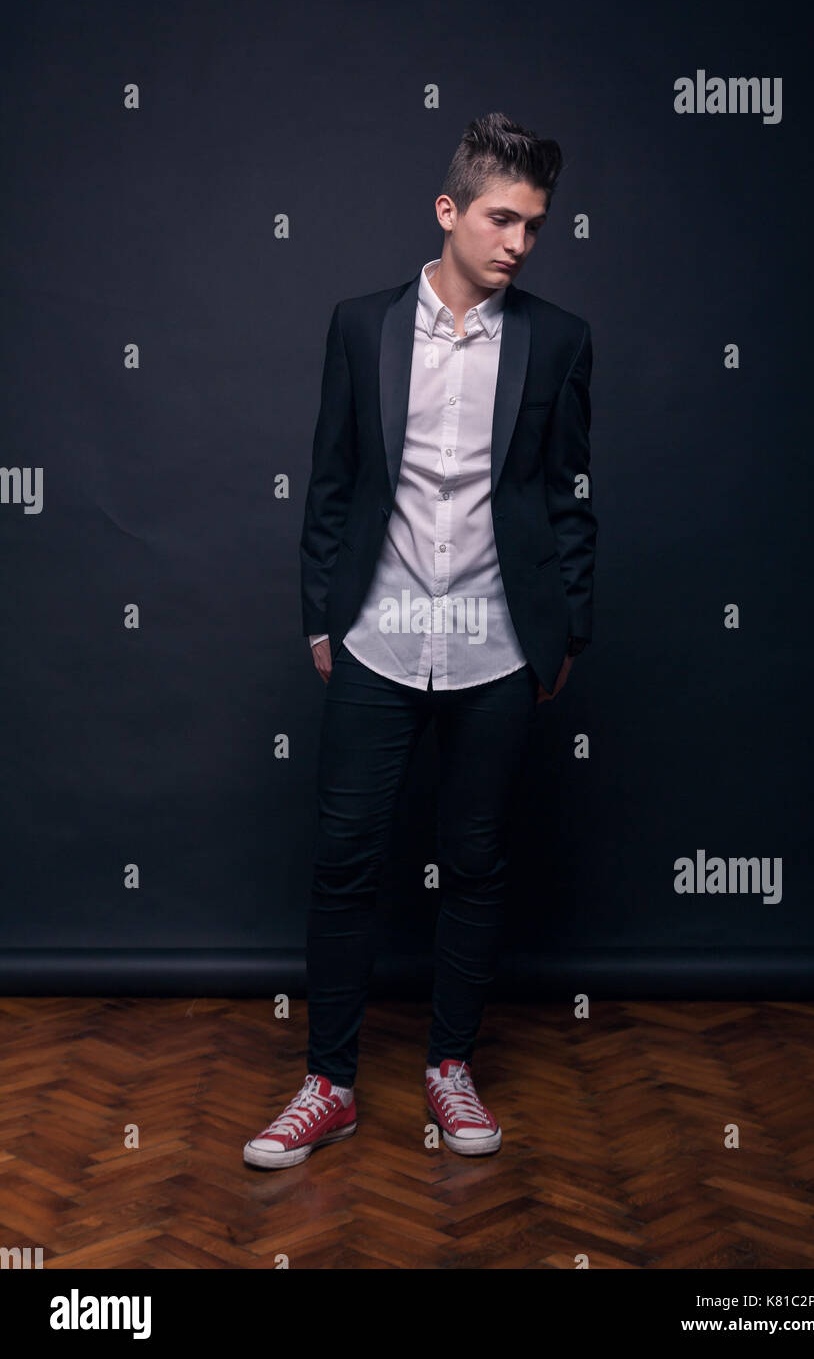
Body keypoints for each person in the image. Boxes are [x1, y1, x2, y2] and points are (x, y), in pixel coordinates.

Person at [243, 111, 596, 1169]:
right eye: (501, 218)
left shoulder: (558, 340)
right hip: (378, 638)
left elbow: (570, 496)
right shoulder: (360, 325)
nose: (518, 243)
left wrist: (565, 624)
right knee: (345, 862)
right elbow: (333, 478)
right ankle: (329, 1083)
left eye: (534, 225)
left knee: (476, 862)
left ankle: (449, 1069)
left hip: (497, 643)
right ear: (447, 212)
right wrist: (322, 613)